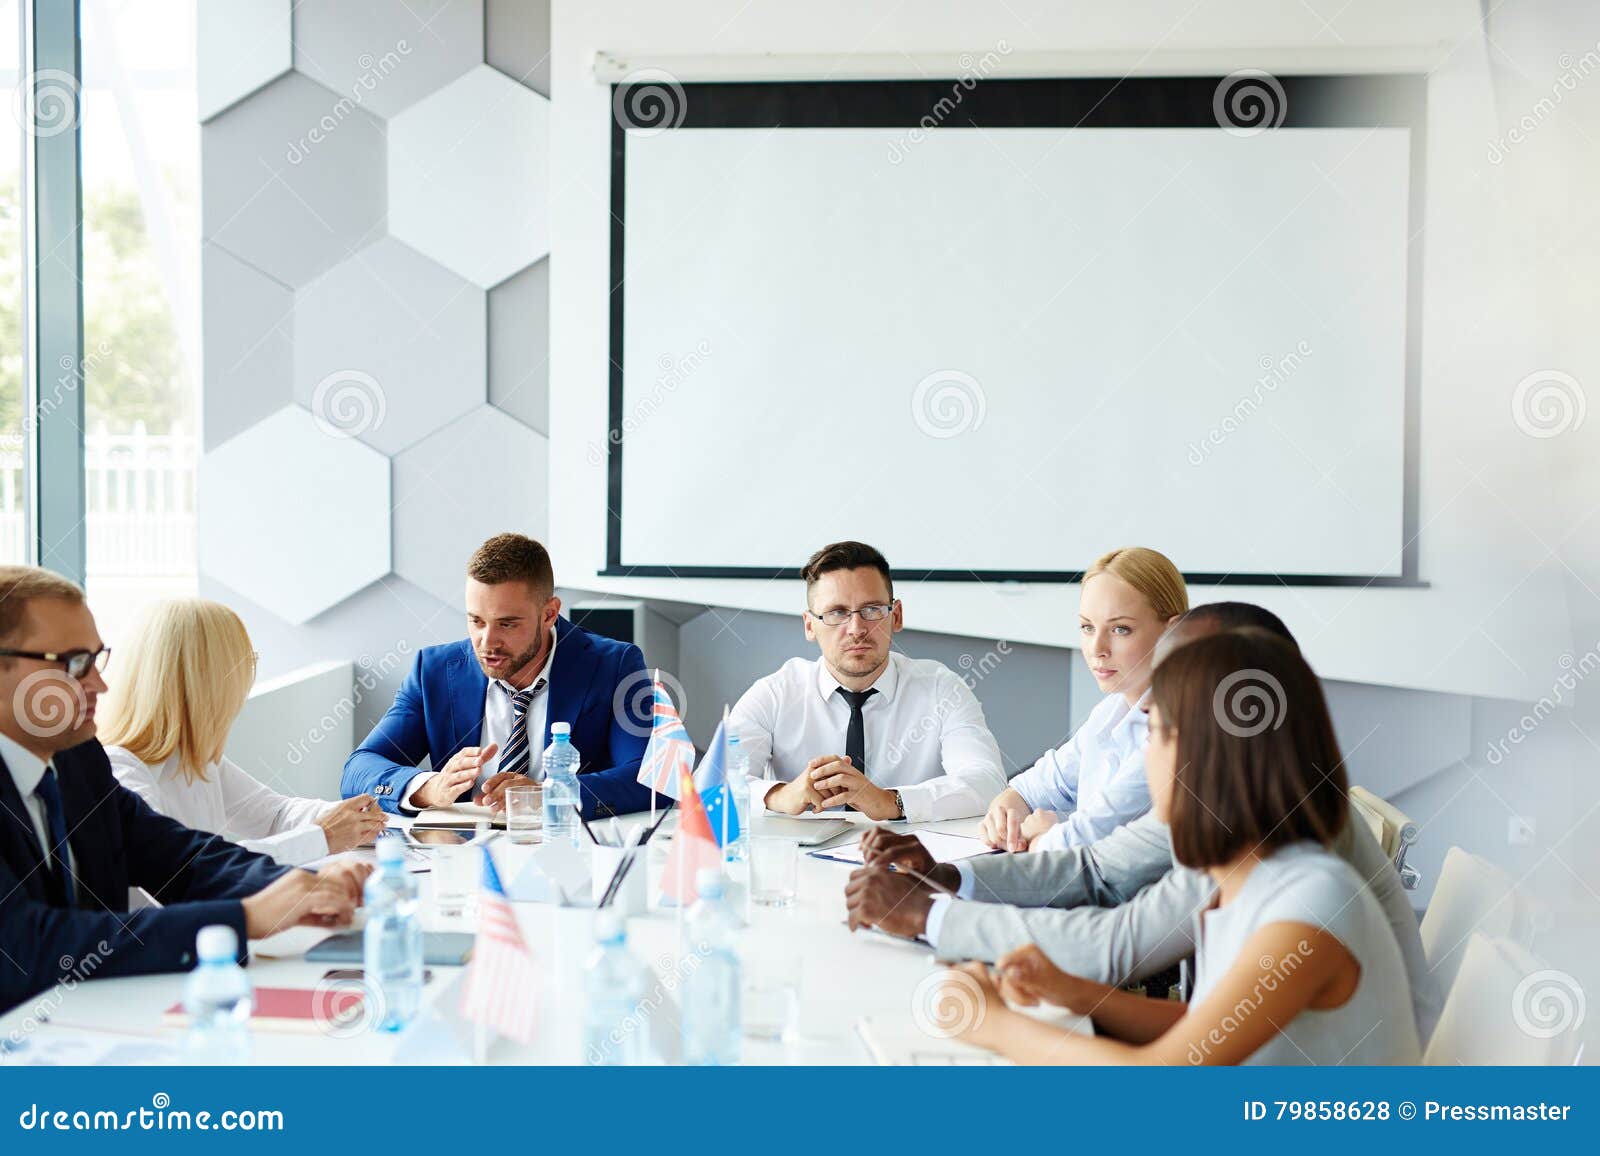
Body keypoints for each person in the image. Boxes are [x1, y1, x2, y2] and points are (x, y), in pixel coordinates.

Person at [845, 602, 1440, 1040]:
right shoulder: (1248, 834)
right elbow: (1197, 1019)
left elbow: (1121, 940)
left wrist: (936, 922)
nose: (1145, 725)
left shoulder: (1285, 853)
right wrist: (952, 884)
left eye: (1162, 717)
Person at [0, 566, 370, 1015]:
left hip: (92, 1024)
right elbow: (30, 944)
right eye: (75, 663)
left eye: (99, 659)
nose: (100, 684)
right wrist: (244, 918)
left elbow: (180, 856)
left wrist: (300, 887)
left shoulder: (78, 760)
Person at [342, 533, 654, 819]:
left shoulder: (613, 665)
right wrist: (429, 788)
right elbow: (358, 770)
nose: (487, 642)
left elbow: (649, 777)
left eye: (506, 624)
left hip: (567, 851)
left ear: (549, 614)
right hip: (461, 859)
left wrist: (548, 796)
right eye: (476, 621)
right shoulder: (434, 671)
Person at [730, 541, 1004, 822]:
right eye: (837, 612)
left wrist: (892, 801)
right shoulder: (775, 694)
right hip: (797, 862)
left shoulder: (941, 689)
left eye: (871, 609)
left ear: (895, 616)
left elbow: (987, 782)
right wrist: (779, 795)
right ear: (810, 625)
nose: (856, 629)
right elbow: (711, 785)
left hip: (909, 860)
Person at [100, 599, 386, 866]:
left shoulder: (195, 759)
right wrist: (322, 835)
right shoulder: (121, 772)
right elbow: (191, 868)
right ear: (208, 682)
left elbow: (274, 816)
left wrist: (349, 819)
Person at [980, 546, 1187, 852]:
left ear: (1173, 632)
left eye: (1120, 629)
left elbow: (1092, 837)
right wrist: (1004, 813)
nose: (1097, 648)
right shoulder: (1111, 711)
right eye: (1087, 627)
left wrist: (1046, 835)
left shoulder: (1179, 725)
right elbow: (1032, 787)